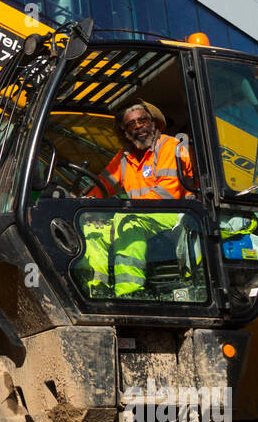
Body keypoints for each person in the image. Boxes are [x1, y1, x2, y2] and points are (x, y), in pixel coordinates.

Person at [79, 101, 194, 297]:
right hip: (137, 214)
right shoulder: (124, 157)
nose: (139, 126)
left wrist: (123, 210)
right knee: (92, 228)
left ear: (153, 124)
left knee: (127, 223)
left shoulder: (169, 146)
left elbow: (168, 193)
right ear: (125, 132)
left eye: (143, 120)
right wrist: (83, 204)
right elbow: (102, 185)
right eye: (131, 124)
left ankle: (129, 291)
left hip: (174, 214)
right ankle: (97, 289)